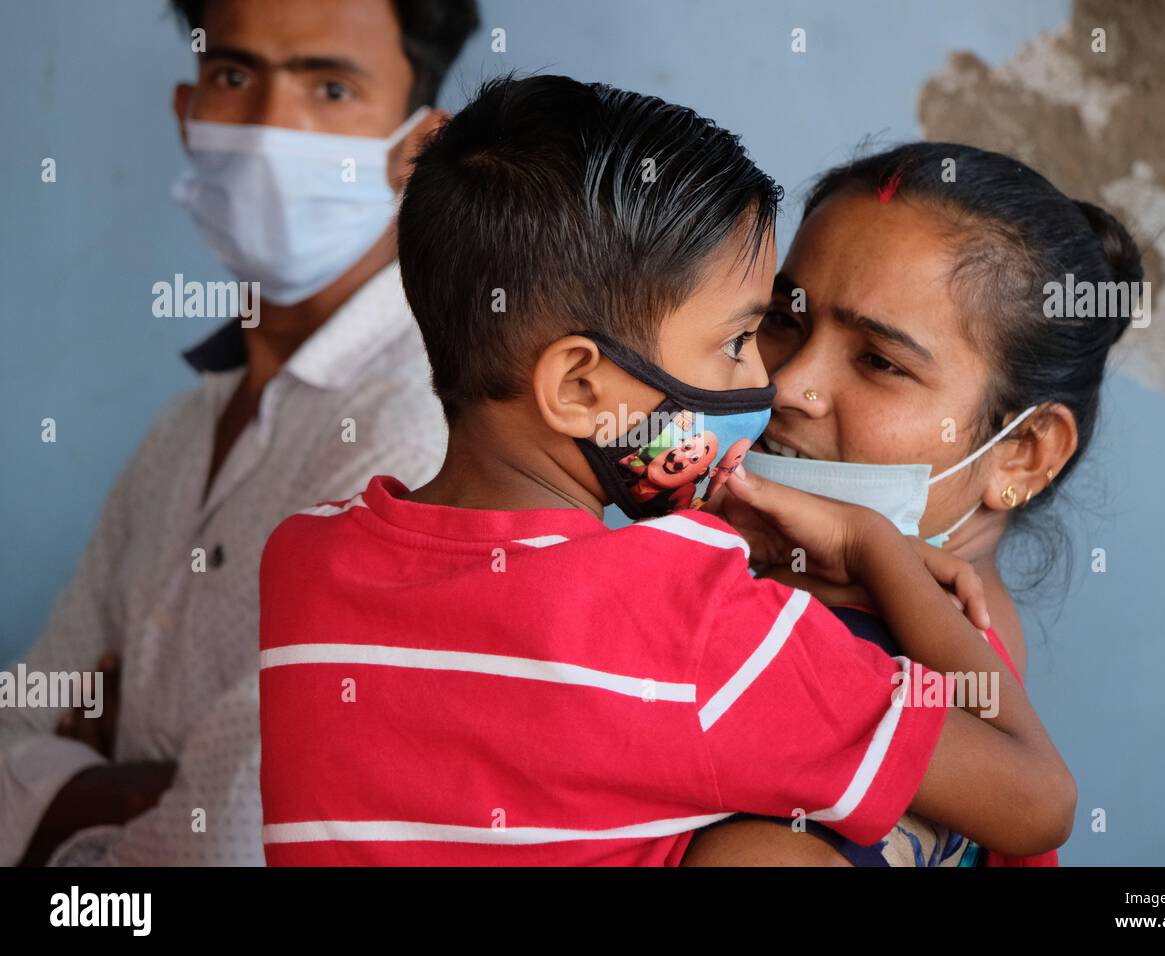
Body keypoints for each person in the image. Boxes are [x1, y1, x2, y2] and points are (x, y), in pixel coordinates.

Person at [257, 76, 1076, 866]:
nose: (771, 383)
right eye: (738, 342)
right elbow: (1038, 801)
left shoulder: (304, 564)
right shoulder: (700, 626)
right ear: (580, 386)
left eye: (879, 360)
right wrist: (870, 549)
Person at [0, 0, 478, 867]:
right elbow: (22, 708)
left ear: (420, 149)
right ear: (188, 112)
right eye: (233, 76)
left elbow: (236, 834)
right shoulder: (186, 426)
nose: (269, 130)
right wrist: (140, 785)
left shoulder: (431, 431)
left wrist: (67, 800)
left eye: (329, 87)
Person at [682, 142, 1143, 866]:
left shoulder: (836, 690)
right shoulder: (971, 681)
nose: (788, 385)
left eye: (880, 362)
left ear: (1023, 455)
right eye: (782, 319)